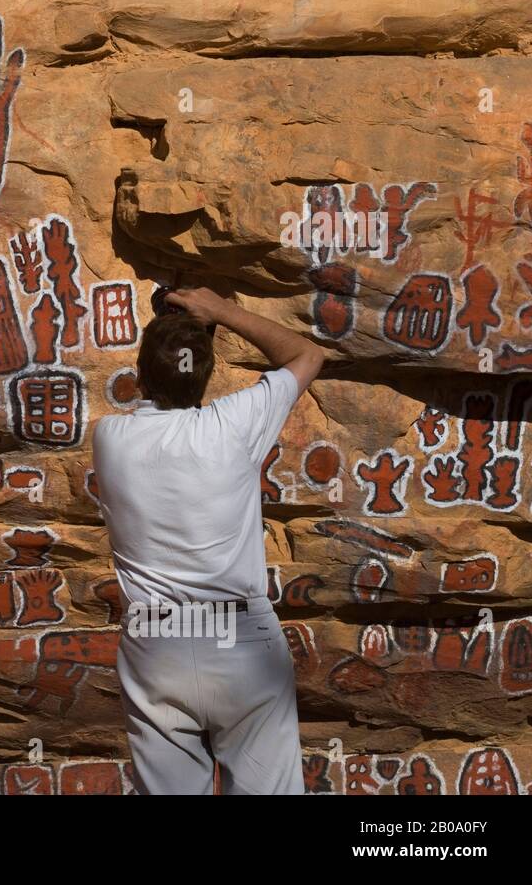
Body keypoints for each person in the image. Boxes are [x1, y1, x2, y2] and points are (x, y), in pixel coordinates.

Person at [91, 286, 325, 795]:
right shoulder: (233, 426)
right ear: (206, 371)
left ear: (139, 376)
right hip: (239, 641)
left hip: (157, 641)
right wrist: (219, 311)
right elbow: (306, 354)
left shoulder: (110, 439)